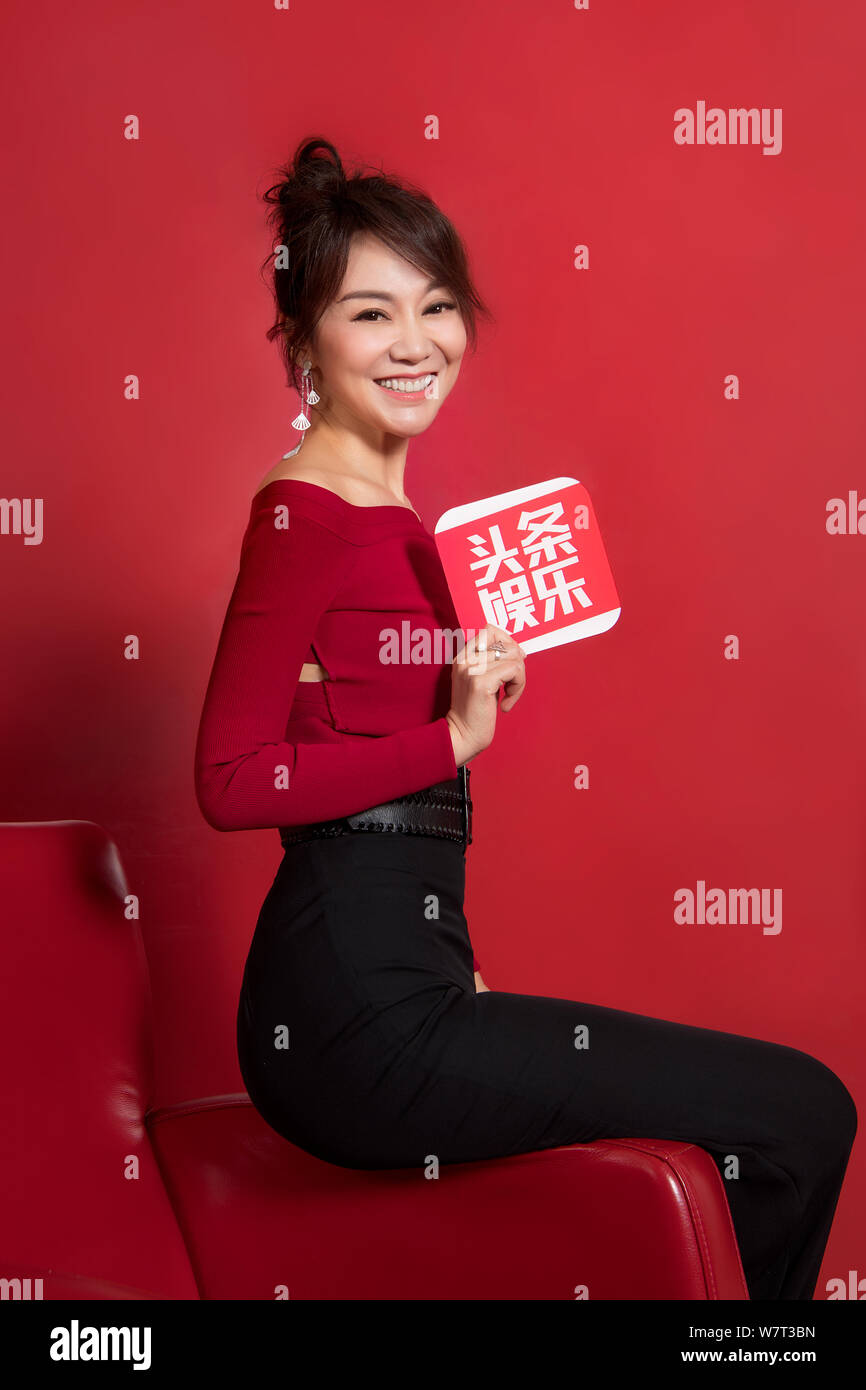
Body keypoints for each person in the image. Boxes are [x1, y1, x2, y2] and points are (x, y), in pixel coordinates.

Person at [194, 136, 856, 1300]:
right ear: (301, 344)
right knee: (798, 1113)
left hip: (416, 978)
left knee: (782, 1119)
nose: (416, 343)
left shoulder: (396, 519)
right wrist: (446, 738)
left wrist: (458, 952)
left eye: (436, 306)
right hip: (347, 1014)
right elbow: (231, 776)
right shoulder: (302, 515)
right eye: (368, 314)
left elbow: (350, 763)